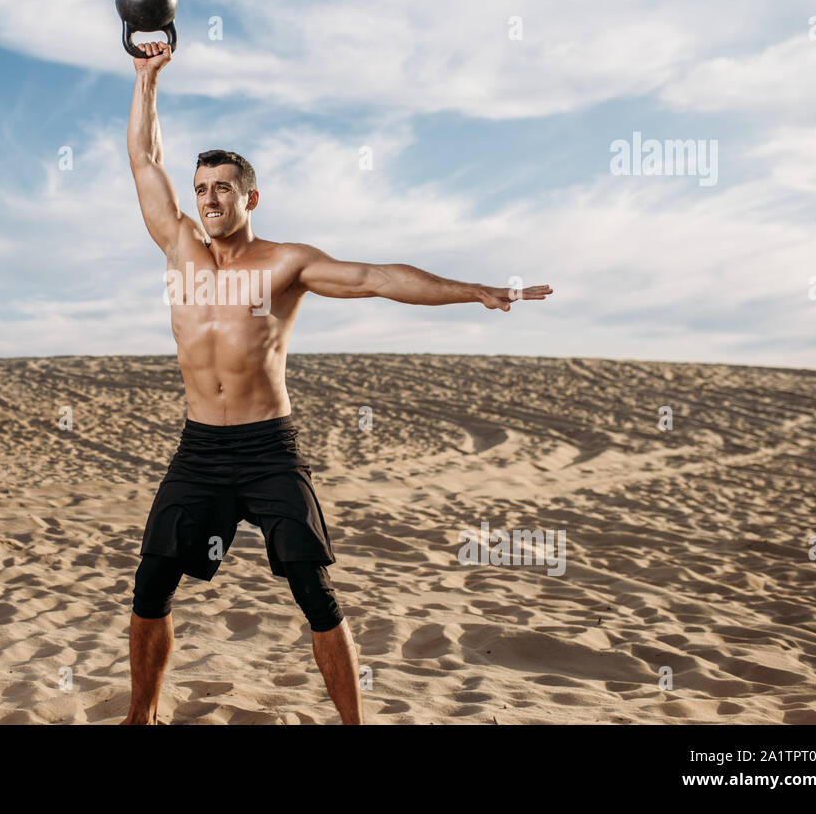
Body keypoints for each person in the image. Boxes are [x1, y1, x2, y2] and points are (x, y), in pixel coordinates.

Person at [121, 41, 552, 724]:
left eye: (221, 187)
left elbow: (376, 277)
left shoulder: (285, 263)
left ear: (249, 196)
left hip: (268, 449)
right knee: (150, 585)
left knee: (314, 588)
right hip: (199, 448)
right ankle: (141, 715)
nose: (207, 198)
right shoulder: (178, 247)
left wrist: (473, 290)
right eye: (201, 187)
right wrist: (145, 77)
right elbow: (145, 160)